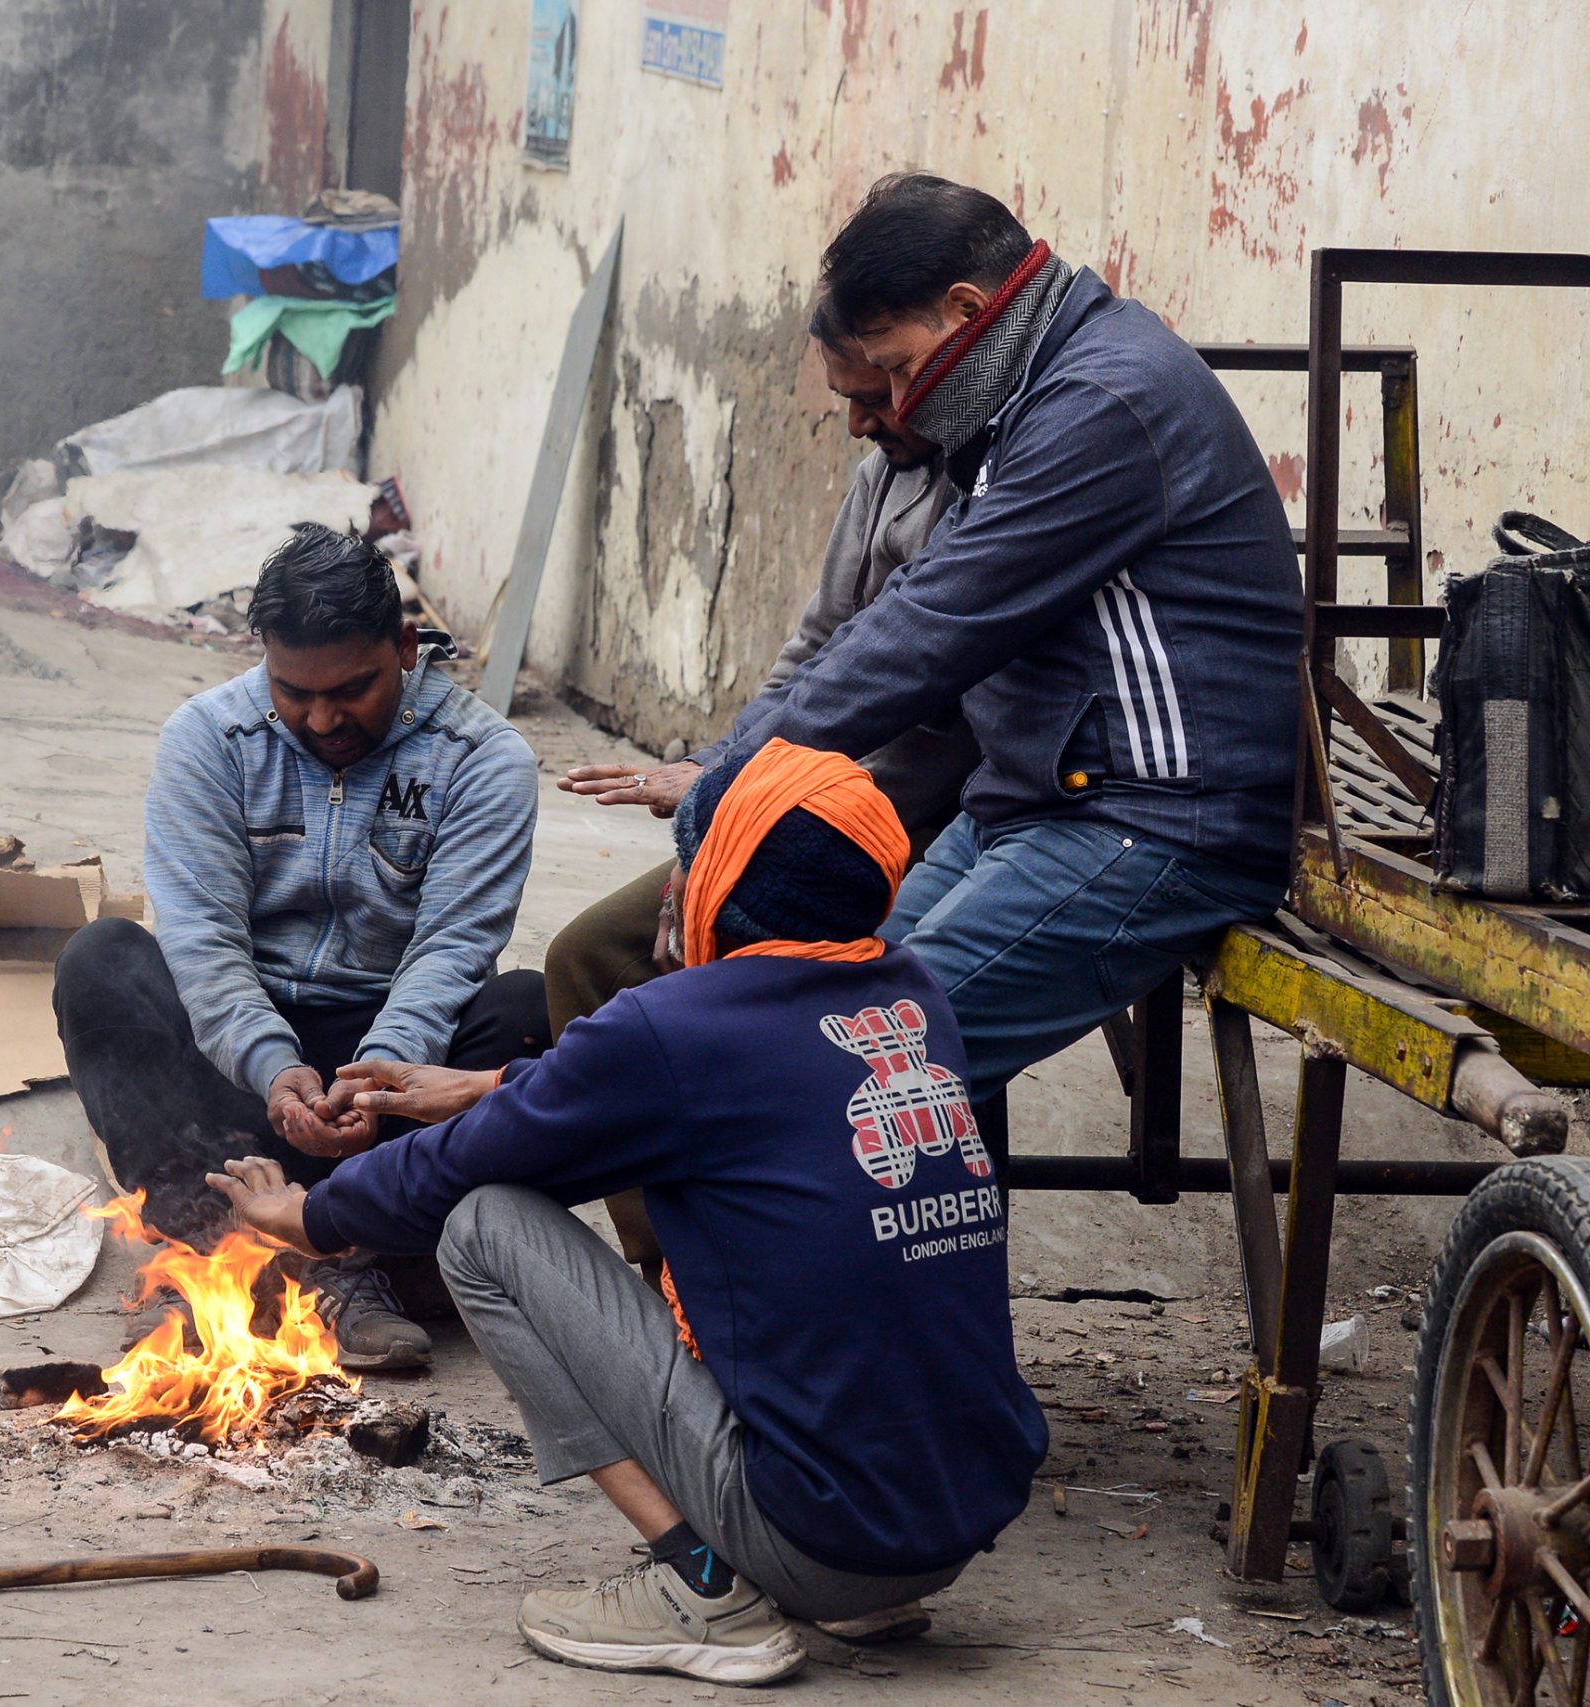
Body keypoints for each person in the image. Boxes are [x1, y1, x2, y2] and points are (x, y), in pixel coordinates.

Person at [208, 742, 1046, 1686]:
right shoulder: (912, 992)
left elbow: (458, 1173)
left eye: (686, 859)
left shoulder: (675, 1023)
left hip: (820, 1535)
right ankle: (865, 1597)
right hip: (955, 1519)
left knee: (482, 1225)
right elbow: (701, 1086)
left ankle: (702, 1590)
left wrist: (311, 1213)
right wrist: (487, 1084)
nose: (667, 887)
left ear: (715, 879)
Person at [679, 172, 1298, 1121]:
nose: (890, 405)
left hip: (1161, 824)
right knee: (810, 1024)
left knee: (847, 1072)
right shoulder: (1030, 387)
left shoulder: (1103, 401)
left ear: (969, 309)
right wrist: (740, 766)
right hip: (1031, 803)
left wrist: (738, 779)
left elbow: (925, 629)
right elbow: (878, 626)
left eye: (892, 369)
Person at [52, 524, 545, 1371]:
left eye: (352, 689)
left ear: (405, 646)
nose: (322, 719)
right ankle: (209, 1254)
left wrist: (380, 1077)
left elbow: (453, 948)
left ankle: (352, 1255)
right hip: (239, 1059)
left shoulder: (485, 759)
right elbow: (203, 938)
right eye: (293, 691)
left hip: (390, 1058)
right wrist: (272, 1066)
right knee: (100, 961)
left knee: (535, 1010)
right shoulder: (208, 738)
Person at [547, 308, 970, 1270]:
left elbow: (939, 730)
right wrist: (714, 777)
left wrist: (735, 812)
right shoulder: (880, 479)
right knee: (585, 960)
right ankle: (675, 1268)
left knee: (721, 977)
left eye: (872, 396)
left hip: (897, 829)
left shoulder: (987, 497)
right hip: (794, 811)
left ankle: (760, 1274)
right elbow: (810, 660)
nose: (861, 423)